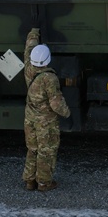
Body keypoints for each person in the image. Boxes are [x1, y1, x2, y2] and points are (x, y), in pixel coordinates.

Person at [22, 25, 70, 192]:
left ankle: (29, 181)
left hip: (30, 118)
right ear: (48, 59)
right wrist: (67, 113)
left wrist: (33, 31)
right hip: (45, 121)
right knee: (46, 150)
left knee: (32, 149)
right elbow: (56, 104)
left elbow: (29, 48)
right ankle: (44, 183)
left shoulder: (29, 69)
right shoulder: (49, 78)